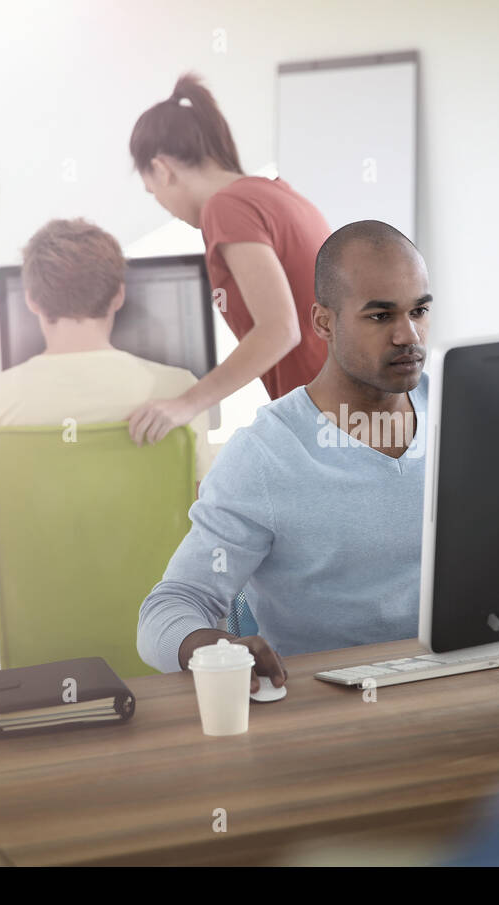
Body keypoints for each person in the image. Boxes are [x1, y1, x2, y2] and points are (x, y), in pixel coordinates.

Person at [137, 220, 430, 686]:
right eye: (380, 316)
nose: (408, 336)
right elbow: (169, 607)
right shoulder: (263, 456)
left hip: (468, 682)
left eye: (418, 311)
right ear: (323, 322)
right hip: (330, 710)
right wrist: (214, 649)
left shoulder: (464, 407)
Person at [0, 218, 214, 564]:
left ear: (31, 299)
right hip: (158, 615)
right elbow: (200, 533)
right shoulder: (179, 390)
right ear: (119, 295)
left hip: (43, 618)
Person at [125, 72, 333, 446]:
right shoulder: (275, 194)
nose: (162, 204)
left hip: (330, 423)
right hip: (350, 417)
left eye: (151, 190)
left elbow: (280, 330)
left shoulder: (225, 208)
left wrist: (186, 404)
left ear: (161, 169)